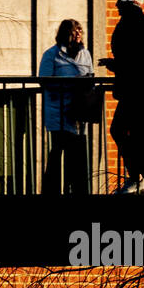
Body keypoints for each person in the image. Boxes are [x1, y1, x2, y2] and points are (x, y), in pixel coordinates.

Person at [99, 0, 144, 194]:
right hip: (139, 89)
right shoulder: (141, 22)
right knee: (137, 134)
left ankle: (140, 177)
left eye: (118, 1)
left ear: (127, 0)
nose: (115, 5)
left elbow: (133, 59)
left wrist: (114, 64)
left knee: (120, 130)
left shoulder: (129, 24)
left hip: (134, 90)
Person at [38, 19, 93, 195]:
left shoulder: (85, 54)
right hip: (58, 111)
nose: (78, 34)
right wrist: (69, 85)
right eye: (74, 31)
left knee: (77, 155)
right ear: (65, 34)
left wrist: (85, 86)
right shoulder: (51, 55)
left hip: (78, 112)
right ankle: (52, 190)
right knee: (58, 152)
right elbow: (45, 81)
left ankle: (77, 190)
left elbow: (90, 79)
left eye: (80, 31)